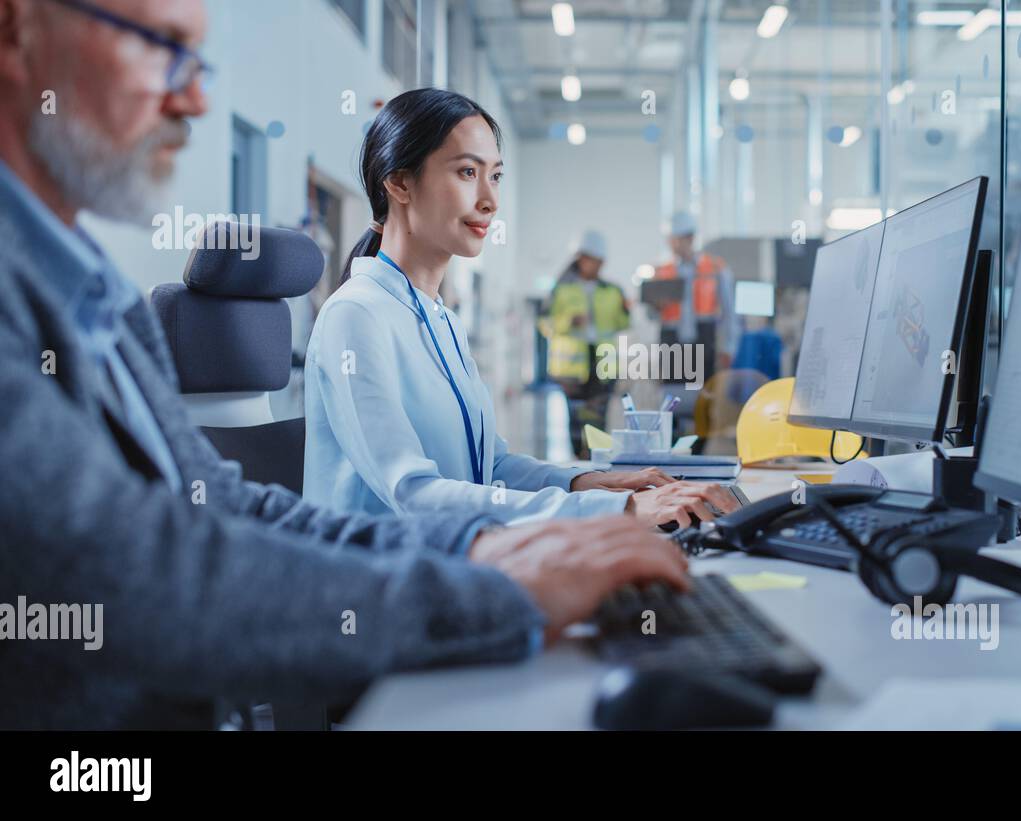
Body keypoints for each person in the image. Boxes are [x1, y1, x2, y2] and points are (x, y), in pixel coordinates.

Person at [0, 0, 688, 730]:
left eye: (196, 59)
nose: (195, 97)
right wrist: (500, 587)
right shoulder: (353, 317)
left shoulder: (104, 303)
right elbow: (140, 579)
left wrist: (501, 539)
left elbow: (232, 508)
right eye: (159, 45)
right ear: (16, 25)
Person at [304, 89, 739, 528]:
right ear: (399, 183)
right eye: (467, 171)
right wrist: (620, 511)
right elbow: (413, 494)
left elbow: (490, 469)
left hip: (453, 563)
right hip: (387, 581)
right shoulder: (357, 315)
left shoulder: (441, 321)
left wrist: (589, 482)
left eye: (494, 176)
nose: (489, 200)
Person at [647, 211, 742, 446]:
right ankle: (674, 453)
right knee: (672, 403)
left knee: (701, 403)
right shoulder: (661, 270)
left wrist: (729, 347)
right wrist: (655, 306)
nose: (675, 245)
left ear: (690, 238)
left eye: (678, 239)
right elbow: (650, 315)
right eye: (671, 239)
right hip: (672, 343)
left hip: (703, 342)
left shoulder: (715, 268)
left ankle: (697, 453)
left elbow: (730, 313)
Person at [545, 229, 630, 458]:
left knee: (597, 416)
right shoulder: (561, 289)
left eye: (601, 261)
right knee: (576, 418)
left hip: (602, 362)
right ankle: (579, 463)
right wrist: (569, 321)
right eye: (594, 260)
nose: (598, 265)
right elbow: (545, 323)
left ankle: (596, 460)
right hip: (571, 368)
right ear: (581, 258)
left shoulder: (612, 290)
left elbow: (623, 322)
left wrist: (629, 308)